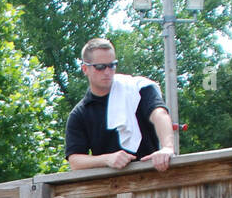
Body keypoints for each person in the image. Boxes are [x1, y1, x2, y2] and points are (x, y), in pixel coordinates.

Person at [66, 37, 176, 173]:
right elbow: (75, 161)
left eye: (112, 65)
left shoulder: (137, 89)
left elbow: (160, 114)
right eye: (100, 67)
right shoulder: (80, 113)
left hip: (153, 179)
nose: (107, 72)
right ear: (85, 69)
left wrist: (167, 148)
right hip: (110, 188)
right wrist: (107, 159)